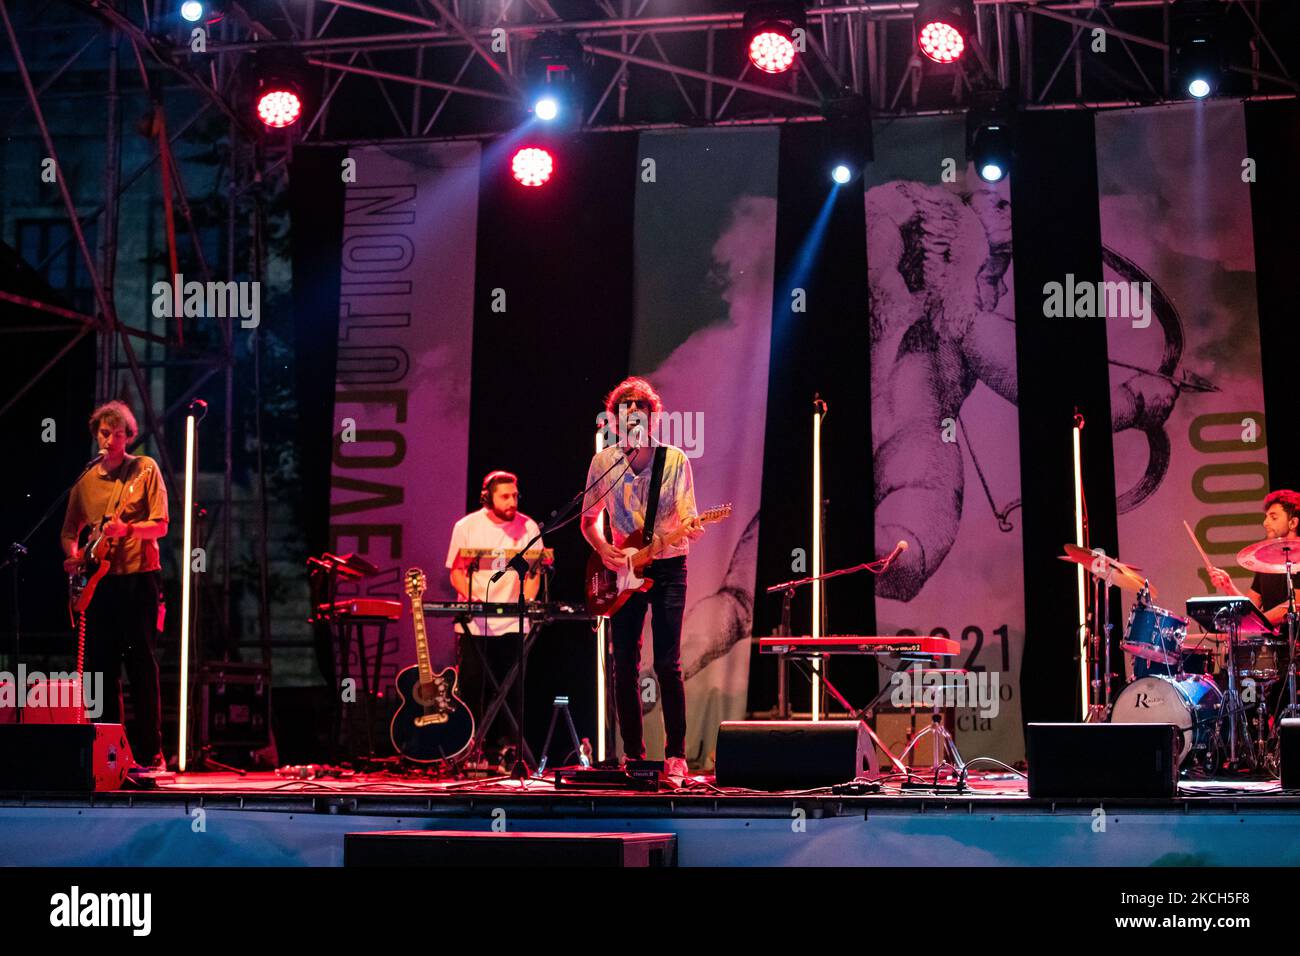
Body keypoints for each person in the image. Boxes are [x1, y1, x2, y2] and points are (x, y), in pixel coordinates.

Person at [580, 377, 703, 784]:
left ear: (652, 417)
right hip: (621, 569)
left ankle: (676, 756)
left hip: (667, 565)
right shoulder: (604, 463)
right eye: (624, 410)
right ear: (613, 419)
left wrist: (691, 526)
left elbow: (688, 517)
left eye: (640, 410)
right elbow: (587, 520)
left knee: (667, 661)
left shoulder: (674, 460)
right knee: (624, 663)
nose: (632, 416)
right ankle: (633, 755)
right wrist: (603, 549)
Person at [60, 401, 169, 772]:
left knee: (140, 664)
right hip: (99, 583)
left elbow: (162, 525)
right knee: (100, 668)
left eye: (118, 434)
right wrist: (74, 556)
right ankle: (111, 752)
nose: (111, 440)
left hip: (139, 577)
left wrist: (128, 530)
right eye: (105, 433)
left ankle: (152, 753)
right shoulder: (85, 480)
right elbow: (68, 531)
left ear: (129, 437)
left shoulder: (144, 469)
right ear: (96, 435)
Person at [445, 470, 542, 764]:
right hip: (475, 625)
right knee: (473, 687)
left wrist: (527, 601)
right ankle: (472, 749)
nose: (512, 501)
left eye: (515, 495)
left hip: (513, 623)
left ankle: (505, 751)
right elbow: (457, 572)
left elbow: (535, 573)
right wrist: (473, 600)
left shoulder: (529, 528)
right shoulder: (466, 527)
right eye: (505, 496)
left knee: (511, 692)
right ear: (488, 498)